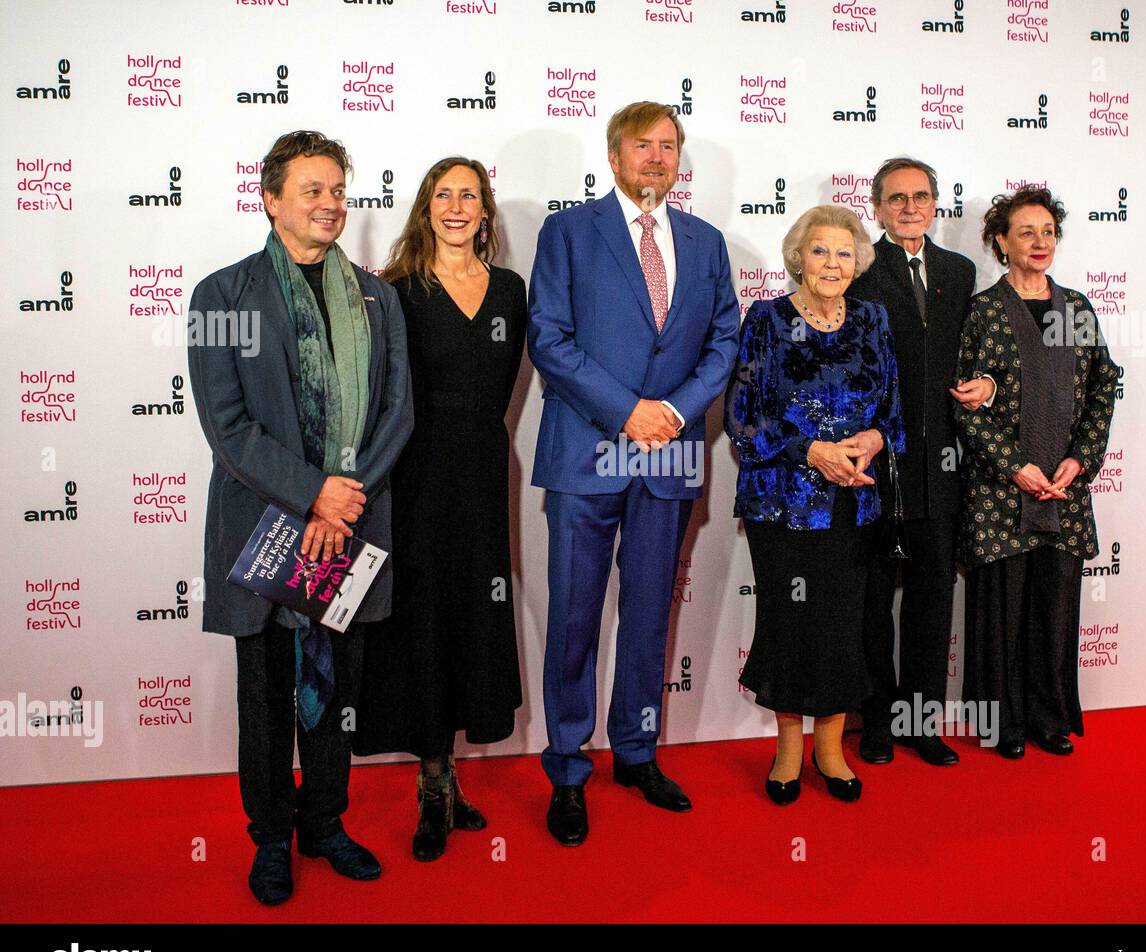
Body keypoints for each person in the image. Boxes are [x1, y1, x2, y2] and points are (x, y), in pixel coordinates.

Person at [188, 130, 413, 904]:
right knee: (265, 692)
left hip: (349, 527)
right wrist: (314, 492)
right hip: (267, 528)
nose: (329, 203)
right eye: (312, 189)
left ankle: (324, 822)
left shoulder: (378, 299)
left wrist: (344, 496)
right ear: (271, 199)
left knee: (338, 681)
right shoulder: (221, 297)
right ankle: (271, 837)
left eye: (337, 190)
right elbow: (229, 426)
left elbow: (397, 413)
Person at [528, 101, 740, 845]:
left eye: (669, 145)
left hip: (671, 454)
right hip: (588, 451)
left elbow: (723, 342)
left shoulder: (706, 242)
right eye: (642, 145)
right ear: (614, 156)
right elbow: (548, 339)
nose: (656, 156)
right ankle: (567, 768)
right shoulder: (567, 232)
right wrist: (629, 412)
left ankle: (638, 750)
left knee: (650, 614)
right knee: (576, 616)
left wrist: (674, 415)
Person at [353, 158, 525, 861]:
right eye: (444, 194)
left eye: (470, 195)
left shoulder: (512, 290)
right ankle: (431, 781)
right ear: (426, 208)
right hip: (415, 480)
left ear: (486, 211)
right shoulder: (395, 293)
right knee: (421, 621)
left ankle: (450, 768)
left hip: (484, 474)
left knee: (471, 618)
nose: (457, 206)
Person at [725, 205, 904, 805]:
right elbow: (744, 419)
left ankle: (830, 750)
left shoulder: (874, 318)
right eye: (820, 250)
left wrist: (875, 439)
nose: (832, 263)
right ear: (799, 257)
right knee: (791, 623)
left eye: (844, 252)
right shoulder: (767, 319)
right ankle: (788, 751)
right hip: (782, 506)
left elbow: (893, 413)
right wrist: (812, 451)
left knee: (841, 627)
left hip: (855, 504)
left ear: (860, 262)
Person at [955, 186, 1119, 759]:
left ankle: (1050, 718)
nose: (1040, 242)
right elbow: (966, 405)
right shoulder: (984, 311)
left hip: (1064, 490)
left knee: (1054, 608)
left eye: (1048, 231)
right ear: (1001, 241)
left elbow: (1103, 385)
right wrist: (1014, 467)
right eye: (1026, 232)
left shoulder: (1076, 308)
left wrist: (1082, 458)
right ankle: (1007, 724)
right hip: (1003, 494)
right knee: (1003, 611)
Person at [845, 157, 990, 767]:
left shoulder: (959, 271)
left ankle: (918, 722)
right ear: (876, 208)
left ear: (935, 204)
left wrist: (984, 380)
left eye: (921, 196)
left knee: (933, 598)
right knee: (874, 599)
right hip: (878, 466)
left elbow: (973, 349)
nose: (910, 207)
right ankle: (877, 720)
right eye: (896, 198)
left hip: (944, 466)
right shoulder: (858, 269)